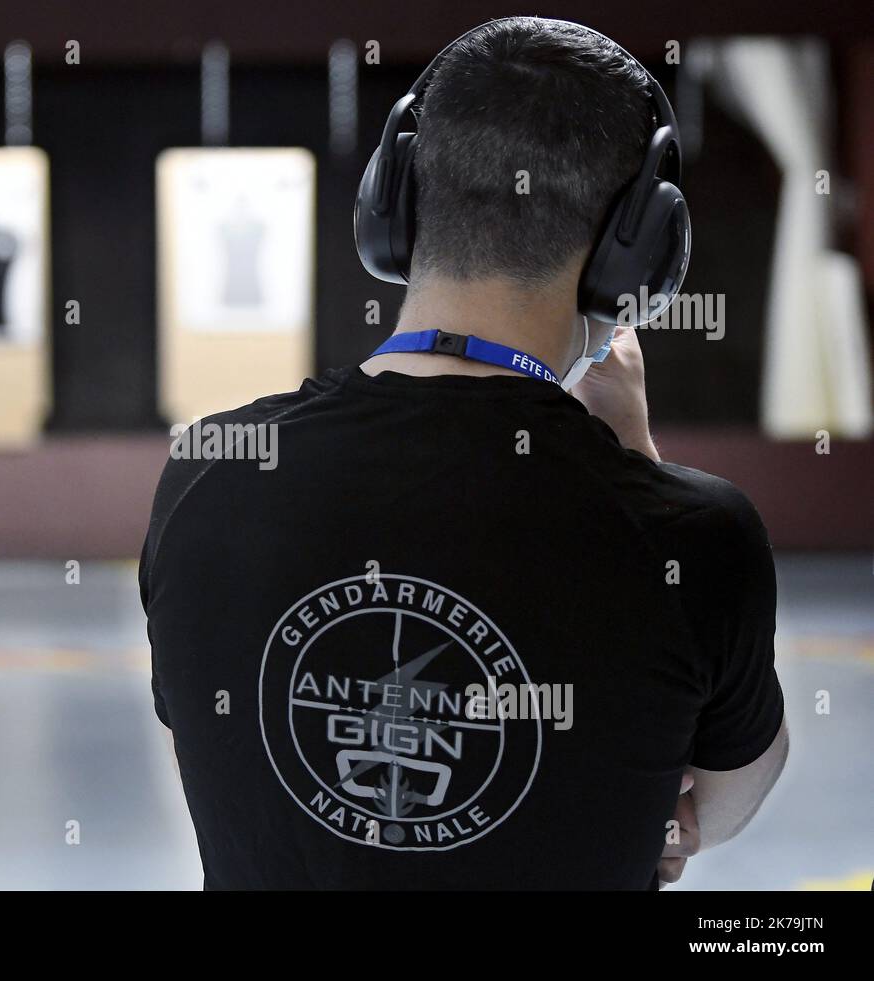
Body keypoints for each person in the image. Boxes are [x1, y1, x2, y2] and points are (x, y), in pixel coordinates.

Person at [140, 16, 787, 889]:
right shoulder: (699, 536)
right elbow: (724, 800)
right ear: (643, 250)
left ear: (395, 200)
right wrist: (638, 462)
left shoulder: (209, 469)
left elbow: (223, 756)